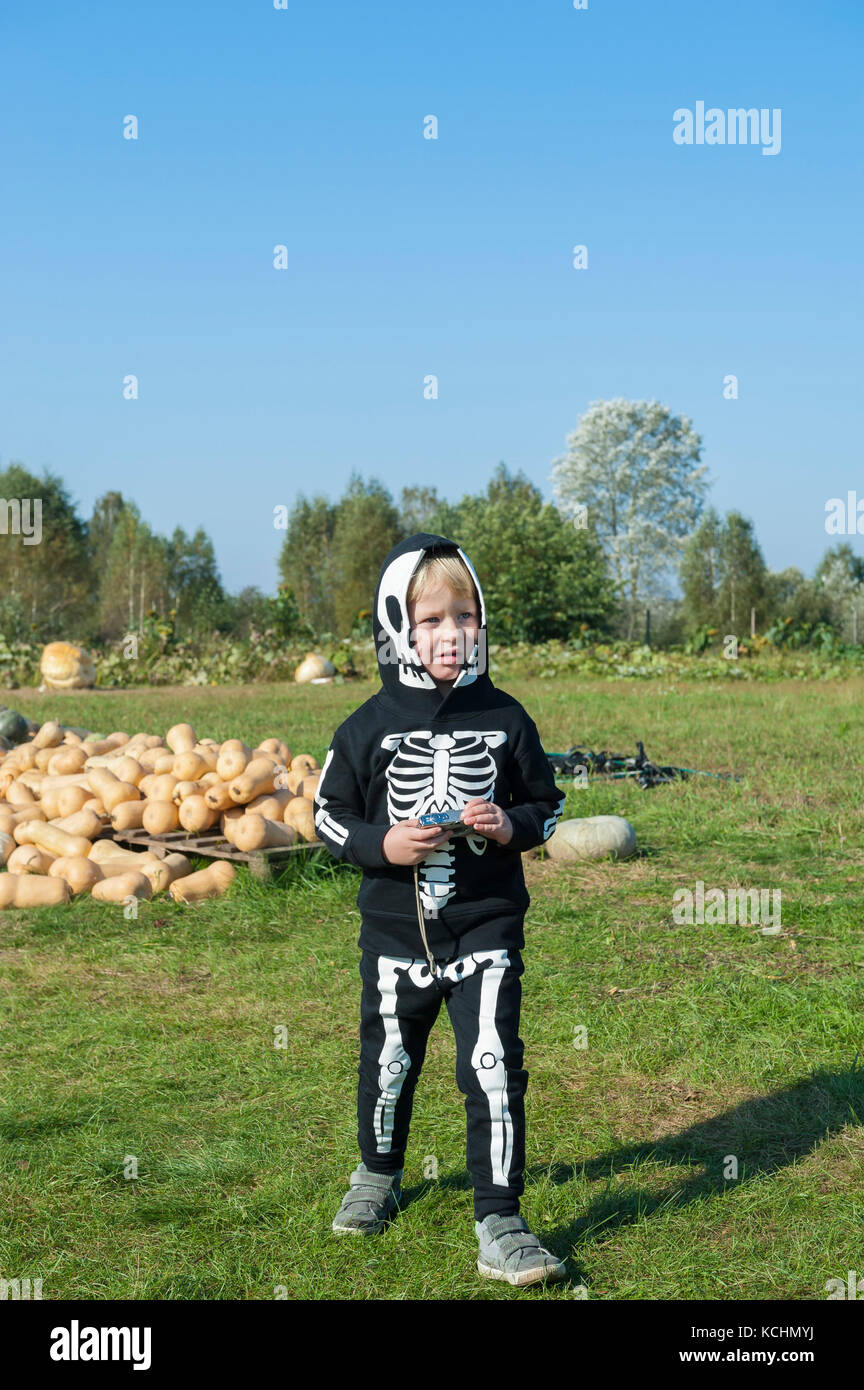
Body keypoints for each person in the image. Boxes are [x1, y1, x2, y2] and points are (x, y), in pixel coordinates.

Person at [313, 532, 568, 1287]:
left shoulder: (508, 718)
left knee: (492, 1067)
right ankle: (377, 1174)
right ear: (397, 626)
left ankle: (501, 1217)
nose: (450, 633)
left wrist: (511, 826)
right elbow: (326, 817)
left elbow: (548, 808)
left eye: (465, 615)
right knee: (389, 1062)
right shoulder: (365, 727)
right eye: (429, 620)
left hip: (487, 927)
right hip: (397, 936)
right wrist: (381, 845)